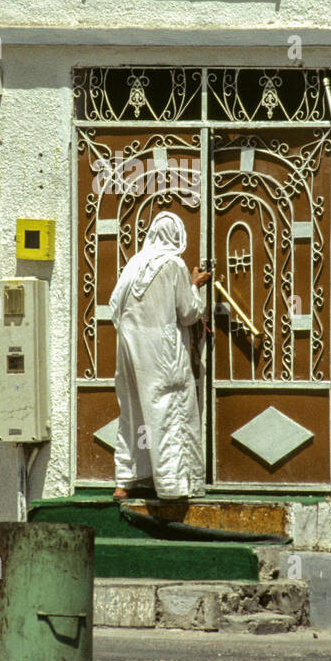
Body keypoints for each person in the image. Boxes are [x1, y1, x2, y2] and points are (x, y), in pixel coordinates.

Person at [108, 211, 212, 502]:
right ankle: (171, 485)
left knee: (134, 412)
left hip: (130, 350)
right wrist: (194, 284)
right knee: (168, 412)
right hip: (162, 353)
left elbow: (114, 305)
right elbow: (189, 313)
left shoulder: (134, 264)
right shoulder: (173, 264)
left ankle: (125, 481)